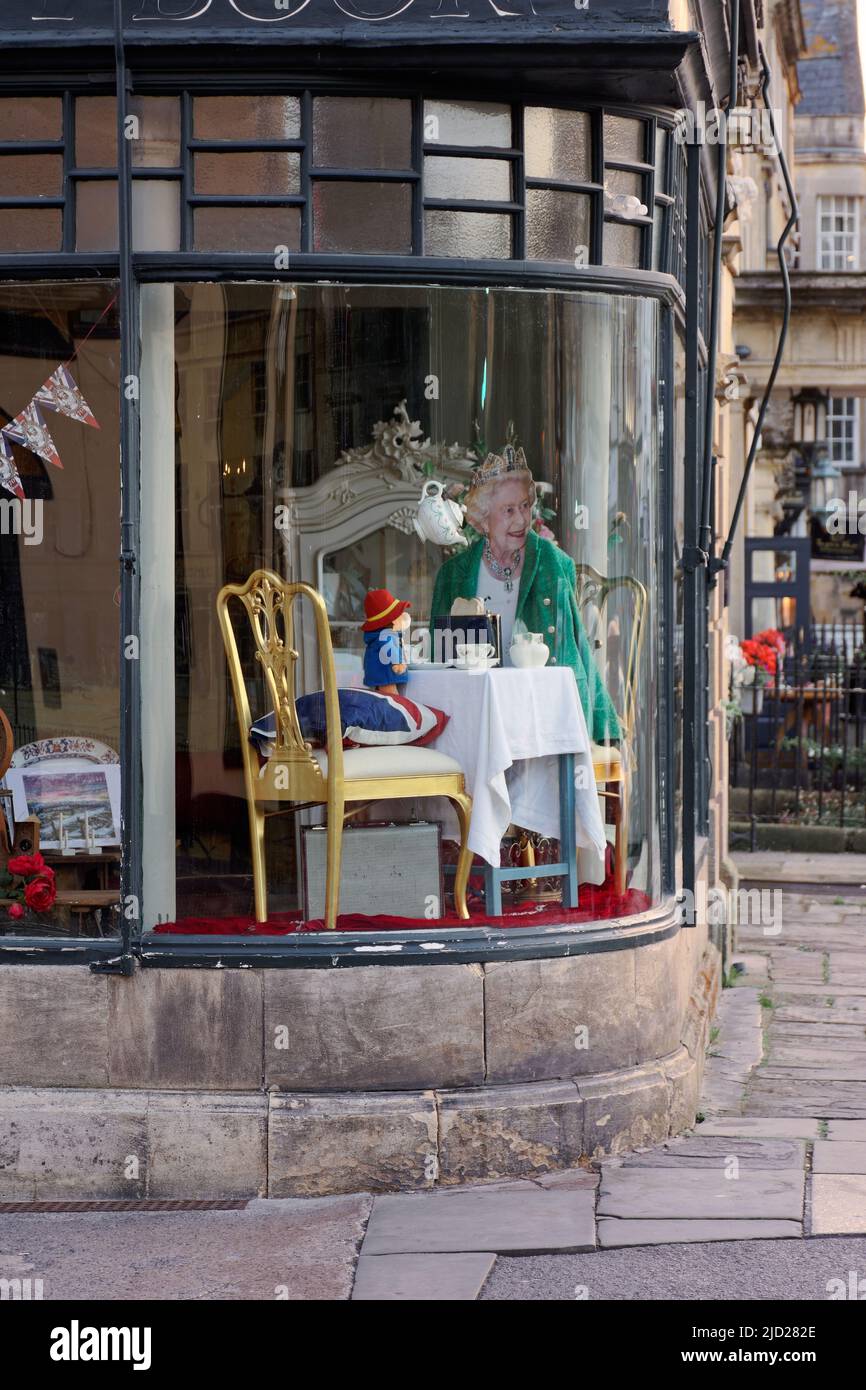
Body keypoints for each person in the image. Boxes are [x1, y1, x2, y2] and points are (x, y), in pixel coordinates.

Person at [430, 446, 620, 744]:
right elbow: (437, 660)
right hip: (477, 714)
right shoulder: (453, 575)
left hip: (542, 716)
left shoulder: (553, 563)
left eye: (525, 506)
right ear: (482, 518)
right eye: (508, 510)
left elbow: (575, 642)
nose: (521, 519)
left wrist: (603, 721)